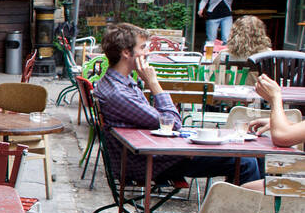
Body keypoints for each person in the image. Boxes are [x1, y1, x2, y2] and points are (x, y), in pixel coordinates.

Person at [94, 23, 262, 187]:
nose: (148, 52)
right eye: (143, 47)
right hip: (152, 161)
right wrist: (153, 83)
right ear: (126, 52)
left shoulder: (120, 82)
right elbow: (172, 123)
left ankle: (238, 209)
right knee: (246, 162)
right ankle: (242, 212)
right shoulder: (119, 93)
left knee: (252, 153)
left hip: (157, 151)